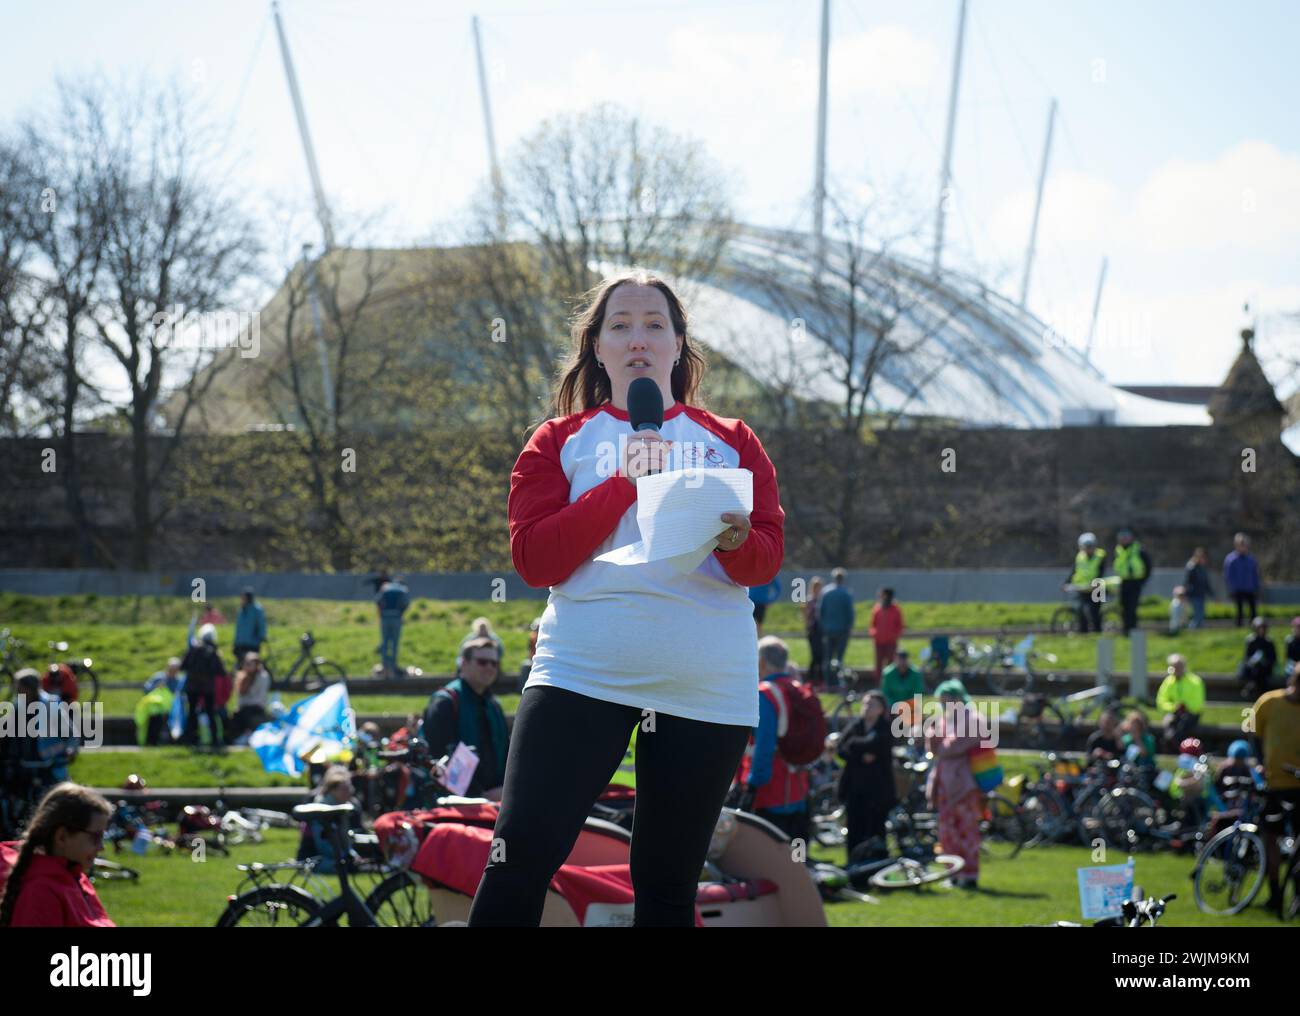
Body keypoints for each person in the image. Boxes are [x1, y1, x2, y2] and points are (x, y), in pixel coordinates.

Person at [466, 270, 783, 927]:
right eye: (620, 324)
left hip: (704, 683)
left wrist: (731, 537)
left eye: (654, 324)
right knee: (516, 858)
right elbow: (535, 560)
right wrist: (621, 483)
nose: (638, 337)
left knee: (667, 889)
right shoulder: (556, 441)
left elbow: (762, 564)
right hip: (583, 674)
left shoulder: (733, 440)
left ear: (677, 344)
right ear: (598, 347)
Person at [0, 782, 115, 927]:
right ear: (62, 837)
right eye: (95, 837)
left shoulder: (76, 877)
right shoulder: (41, 893)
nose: (101, 847)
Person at [733, 637, 809, 843]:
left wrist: (752, 785)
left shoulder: (766, 693)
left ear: (763, 662)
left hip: (771, 790)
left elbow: (764, 745)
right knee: (795, 857)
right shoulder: (798, 689)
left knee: (767, 856)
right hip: (797, 786)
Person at [420, 639, 511, 800]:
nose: (489, 667)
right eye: (482, 662)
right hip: (455, 803)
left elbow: (506, 755)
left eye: (494, 663)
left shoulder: (494, 705)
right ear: (464, 663)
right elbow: (439, 758)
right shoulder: (445, 702)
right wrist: (479, 796)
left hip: (495, 802)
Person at [1251, 661, 1300, 917]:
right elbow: (1252, 733)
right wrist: (1259, 763)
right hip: (1276, 783)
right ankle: (1274, 892)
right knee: (1270, 837)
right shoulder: (1268, 702)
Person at [925, 680, 984, 889]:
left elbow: (949, 748)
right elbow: (934, 750)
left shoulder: (973, 720)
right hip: (944, 783)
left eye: (947, 701)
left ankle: (969, 874)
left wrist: (934, 736)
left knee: (966, 830)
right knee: (947, 832)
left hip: (965, 784)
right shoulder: (945, 721)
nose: (944, 706)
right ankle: (952, 873)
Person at [835, 690, 896, 857]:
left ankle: (876, 867)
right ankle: (855, 866)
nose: (866, 708)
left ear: (881, 709)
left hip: (877, 790)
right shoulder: (856, 726)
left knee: (875, 829)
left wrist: (854, 747)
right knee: (855, 828)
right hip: (854, 788)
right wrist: (861, 754)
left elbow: (878, 745)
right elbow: (841, 748)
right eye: (865, 704)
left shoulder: (886, 728)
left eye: (871, 705)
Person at [296, 765, 366, 875]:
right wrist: (344, 857)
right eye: (345, 789)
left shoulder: (343, 807)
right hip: (315, 858)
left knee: (354, 865)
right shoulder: (321, 809)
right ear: (333, 790)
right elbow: (323, 844)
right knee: (344, 867)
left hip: (333, 855)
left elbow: (345, 839)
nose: (350, 792)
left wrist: (352, 855)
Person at [180, 623, 227, 748]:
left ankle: (190, 739)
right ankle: (215, 740)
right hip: (208, 688)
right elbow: (221, 671)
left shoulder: (193, 649)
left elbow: (182, 666)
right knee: (211, 713)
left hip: (192, 687)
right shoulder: (213, 652)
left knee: (191, 713)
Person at [1155, 653, 1205, 748]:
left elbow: (1198, 704)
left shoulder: (1195, 681)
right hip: (1173, 713)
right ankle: (1173, 746)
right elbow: (1161, 702)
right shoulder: (1168, 682)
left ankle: (1178, 747)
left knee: (1183, 723)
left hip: (1191, 714)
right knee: (1169, 722)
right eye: (1174, 667)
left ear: (1184, 667)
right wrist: (1174, 707)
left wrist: (1185, 706)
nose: (1176, 669)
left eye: (1179, 667)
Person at [1110, 528, 1151, 636]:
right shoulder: (1118, 550)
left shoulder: (1138, 549)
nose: (1123, 540)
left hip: (1135, 582)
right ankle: (1125, 629)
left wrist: (1143, 581)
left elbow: (1148, 566)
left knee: (1132, 607)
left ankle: (1132, 629)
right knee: (1123, 606)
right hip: (1124, 581)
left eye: (1125, 538)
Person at [1063, 532, 1106, 632]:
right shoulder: (1080, 557)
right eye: (1086, 546)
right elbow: (1074, 571)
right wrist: (1066, 582)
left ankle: (1097, 631)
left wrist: (1095, 583)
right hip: (1083, 588)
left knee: (1094, 611)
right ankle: (1083, 632)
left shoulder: (1100, 556)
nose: (1088, 549)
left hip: (1097, 588)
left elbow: (1101, 572)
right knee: (1080, 610)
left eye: (1090, 546)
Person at [819, 569, 855, 686]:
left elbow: (820, 611)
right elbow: (850, 613)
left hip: (828, 629)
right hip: (842, 630)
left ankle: (828, 682)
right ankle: (838, 681)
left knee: (827, 657)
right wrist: (849, 627)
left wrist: (823, 626)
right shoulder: (846, 593)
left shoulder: (826, 592)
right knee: (839, 657)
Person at [228, 651, 271, 742]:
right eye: (246, 664)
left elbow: (259, 698)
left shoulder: (262, 677)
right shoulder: (242, 677)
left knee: (246, 715)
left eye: (250, 664)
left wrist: (246, 704)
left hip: (256, 707)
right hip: (244, 707)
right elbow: (240, 696)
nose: (247, 666)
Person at [375, 574, 411, 678]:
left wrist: (381, 614)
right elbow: (406, 602)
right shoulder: (403, 589)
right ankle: (393, 666)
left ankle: (385, 666)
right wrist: (401, 613)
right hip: (396, 617)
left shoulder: (385, 588)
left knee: (385, 642)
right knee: (394, 643)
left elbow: (377, 601)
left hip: (384, 618)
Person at [1223, 532, 1262, 628]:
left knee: (1253, 610)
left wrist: (1256, 586)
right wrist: (1232, 587)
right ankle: (1239, 627)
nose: (1243, 547)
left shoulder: (1251, 559)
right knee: (1239, 610)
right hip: (1237, 589)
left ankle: (1254, 627)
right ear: (1236, 545)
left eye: (1244, 545)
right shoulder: (1231, 559)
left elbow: (1255, 574)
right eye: (1241, 545)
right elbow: (1228, 575)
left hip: (1250, 588)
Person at [1237, 616, 1279, 699]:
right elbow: (1247, 657)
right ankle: (1261, 694)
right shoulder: (1250, 641)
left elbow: (1273, 658)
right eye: (1259, 628)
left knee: (1259, 670)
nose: (1261, 630)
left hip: (1265, 667)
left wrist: (1264, 661)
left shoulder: (1269, 642)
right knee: (1256, 669)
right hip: (1253, 667)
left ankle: (1250, 687)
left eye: (1263, 628)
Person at [869, 587, 904, 683]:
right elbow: (872, 625)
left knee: (891, 665)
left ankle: (891, 683)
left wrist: (893, 635)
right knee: (878, 665)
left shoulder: (896, 609)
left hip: (891, 642)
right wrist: (874, 633)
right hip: (879, 642)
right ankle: (879, 684)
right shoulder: (877, 608)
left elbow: (900, 626)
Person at [232, 587, 267, 670]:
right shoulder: (241, 610)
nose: (241, 600)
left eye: (243, 598)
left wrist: (262, 636)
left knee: (252, 667)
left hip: (252, 644)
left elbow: (261, 624)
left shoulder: (257, 609)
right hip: (240, 644)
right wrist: (235, 642)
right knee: (241, 666)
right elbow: (238, 628)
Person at [1183, 547, 1215, 629]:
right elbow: (1187, 582)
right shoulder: (1191, 567)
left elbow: (1206, 584)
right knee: (1197, 615)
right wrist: (1186, 594)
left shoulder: (1203, 569)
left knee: (1201, 615)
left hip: (1201, 595)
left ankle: (1199, 632)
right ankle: (1192, 631)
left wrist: (1213, 595)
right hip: (1194, 595)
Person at [804, 575, 825, 688]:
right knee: (814, 655)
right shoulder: (810, 600)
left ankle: (820, 679)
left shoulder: (823, 599)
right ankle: (811, 679)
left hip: (821, 630)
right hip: (813, 630)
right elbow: (807, 615)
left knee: (821, 655)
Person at [519, 617, 542, 683]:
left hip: (544, 661)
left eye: (538, 629)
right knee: (525, 665)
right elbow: (530, 652)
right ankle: (521, 689)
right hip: (533, 659)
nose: (536, 631)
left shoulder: (547, 639)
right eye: (535, 630)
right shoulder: (532, 637)